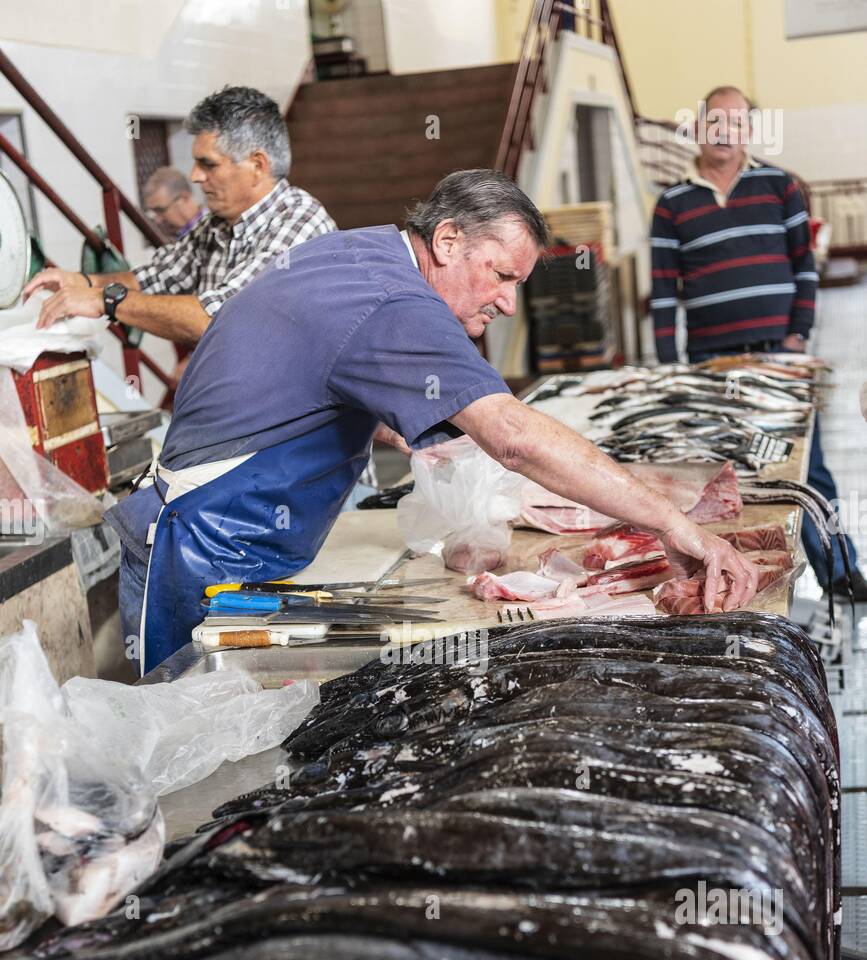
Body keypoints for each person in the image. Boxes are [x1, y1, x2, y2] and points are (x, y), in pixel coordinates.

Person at [107, 169, 758, 674]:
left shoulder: (363, 254)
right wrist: (672, 522)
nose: (507, 301)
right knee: (190, 766)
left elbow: (322, 379)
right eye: (500, 275)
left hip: (221, 535)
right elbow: (513, 438)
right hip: (197, 550)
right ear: (446, 240)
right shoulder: (397, 301)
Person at [650, 84, 863, 598]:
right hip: (711, 361)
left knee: (807, 469)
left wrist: (796, 337)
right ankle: (735, 584)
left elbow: (804, 268)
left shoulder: (780, 186)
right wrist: (671, 369)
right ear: (699, 127)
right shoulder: (671, 203)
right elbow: (662, 293)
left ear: (749, 131)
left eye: (737, 122)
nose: (725, 131)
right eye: (715, 121)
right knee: (725, 478)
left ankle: (839, 572)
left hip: (779, 354)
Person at [22, 85, 336, 345]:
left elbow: (218, 320)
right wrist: (80, 281)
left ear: (257, 165)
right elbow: (150, 279)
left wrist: (106, 299)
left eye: (208, 164)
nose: (196, 176)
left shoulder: (299, 223)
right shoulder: (218, 224)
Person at [142, 167, 205, 240]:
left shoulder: (214, 231)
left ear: (184, 197)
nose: (158, 220)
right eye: (153, 213)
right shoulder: (179, 238)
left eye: (161, 210)